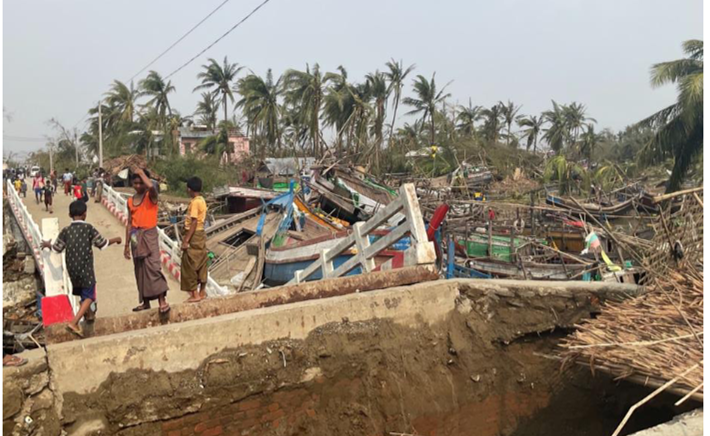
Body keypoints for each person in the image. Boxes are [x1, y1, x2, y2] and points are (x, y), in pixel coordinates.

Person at [42, 200, 122, 337]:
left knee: (83, 296)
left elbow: (56, 249)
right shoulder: (88, 228)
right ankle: (74, 322)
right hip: (86, 269)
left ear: (69, 215)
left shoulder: (66, 231)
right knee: (90, 296)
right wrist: (116, 239)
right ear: (85, 214)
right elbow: (102, 244)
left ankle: (89, 317)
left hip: (72, 269)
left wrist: (48, 244)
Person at [125, 168, 170, 313]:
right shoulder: (130, 201)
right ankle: (145, 302)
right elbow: (130, 223)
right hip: (135, 235)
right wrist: (126, 244)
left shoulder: (151, 196)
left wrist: (142, 172)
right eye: (135, 183)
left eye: (140, 183)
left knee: (153, 267)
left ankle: (162, 301)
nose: (138, 186)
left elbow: (151, 186)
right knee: (139, 269)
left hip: (149, 234)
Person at [181, 177, 208, 303]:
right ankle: (202, 291)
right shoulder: (202, 200)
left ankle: (195, 294)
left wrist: (186, 240)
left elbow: (194, 221)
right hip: (200, 233)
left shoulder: (195, 202)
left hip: (193, 234)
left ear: (189, 189)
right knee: (202, 261)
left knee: (189, 264)